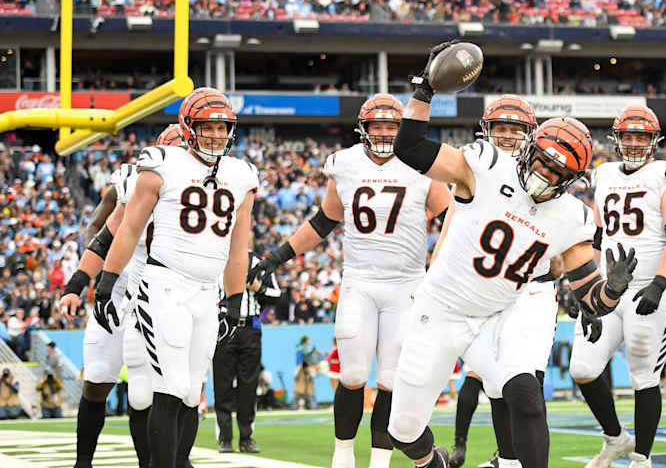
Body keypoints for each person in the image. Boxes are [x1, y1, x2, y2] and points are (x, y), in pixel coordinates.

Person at [384, 40, 637, 468]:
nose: (545, 174)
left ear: (573, 179)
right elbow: (408, 148)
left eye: (559, 173)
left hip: (500, 313)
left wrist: (612, 290)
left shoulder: (571, 216)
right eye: (543, 162)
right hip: (442, 308)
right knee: (403, 431)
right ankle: (432, 461)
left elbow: (590, 297)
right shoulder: (484, 163)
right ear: (529, 151)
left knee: (524, 393)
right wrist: (424, 90)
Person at [248, 93, 450, 468]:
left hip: (407, 284)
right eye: (379, 126)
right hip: (359, 280)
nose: (386, 132)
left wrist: (443, 268)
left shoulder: (422, 166)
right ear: (364, 129)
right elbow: (324, 222)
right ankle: (342, 455)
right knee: (353, 373)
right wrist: (276, 258)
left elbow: (453, 217)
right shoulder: (345, 164)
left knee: (390, 379)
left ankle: (379, 461)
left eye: (393, 126)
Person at [98, 87, 258, 468]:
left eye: (223, 128)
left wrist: (234, 300)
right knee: (168, 389)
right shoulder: (162, 162)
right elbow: (131, 228)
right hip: (166, 284)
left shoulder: (240, 174)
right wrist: (107, 282)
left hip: (206, 291)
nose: (217, 135)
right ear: (188, 126)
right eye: (208, 126)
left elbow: (238, 248)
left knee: (190, 393)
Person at [437, 95, 562, 468]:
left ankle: (514, 461)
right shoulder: (475, 167)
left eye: (516, 130)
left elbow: (561, 231)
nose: (507, 137)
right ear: (486, 131)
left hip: (531, 288)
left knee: (525, 387)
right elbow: (451, 223)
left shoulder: (547, 171)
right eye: (501, 129)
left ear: (530, 134)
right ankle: (507, 460)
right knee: (494, 383)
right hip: (480, 290)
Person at [569, 104, 666, 468]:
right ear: (618, 139)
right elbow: (595, 237)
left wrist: (658, 283)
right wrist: (586, 288)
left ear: (654, 140)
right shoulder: (604, 173)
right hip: (608, 287)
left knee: (643, 375)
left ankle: (642, 458)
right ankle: (616, 439)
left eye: (642, 136)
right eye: (628, 135)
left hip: (648, 286)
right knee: (583, 367)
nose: (635, 142)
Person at [58, 125, 184, 468]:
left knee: (155, 391)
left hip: (164, 296)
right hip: (119, 289)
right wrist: (92, 276)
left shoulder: (203, 185)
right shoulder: (133, 179)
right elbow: (98, 229)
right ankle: (83, 462)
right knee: (98, 379)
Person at [213, 248, 281, 454]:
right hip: (223, 327)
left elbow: (277, 294)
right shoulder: (216, 258)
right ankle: (225, 438)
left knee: (248, 386)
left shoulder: (258, 262)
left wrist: (258, 287)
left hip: (250, 328)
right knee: (222, 384)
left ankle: (246, 437)